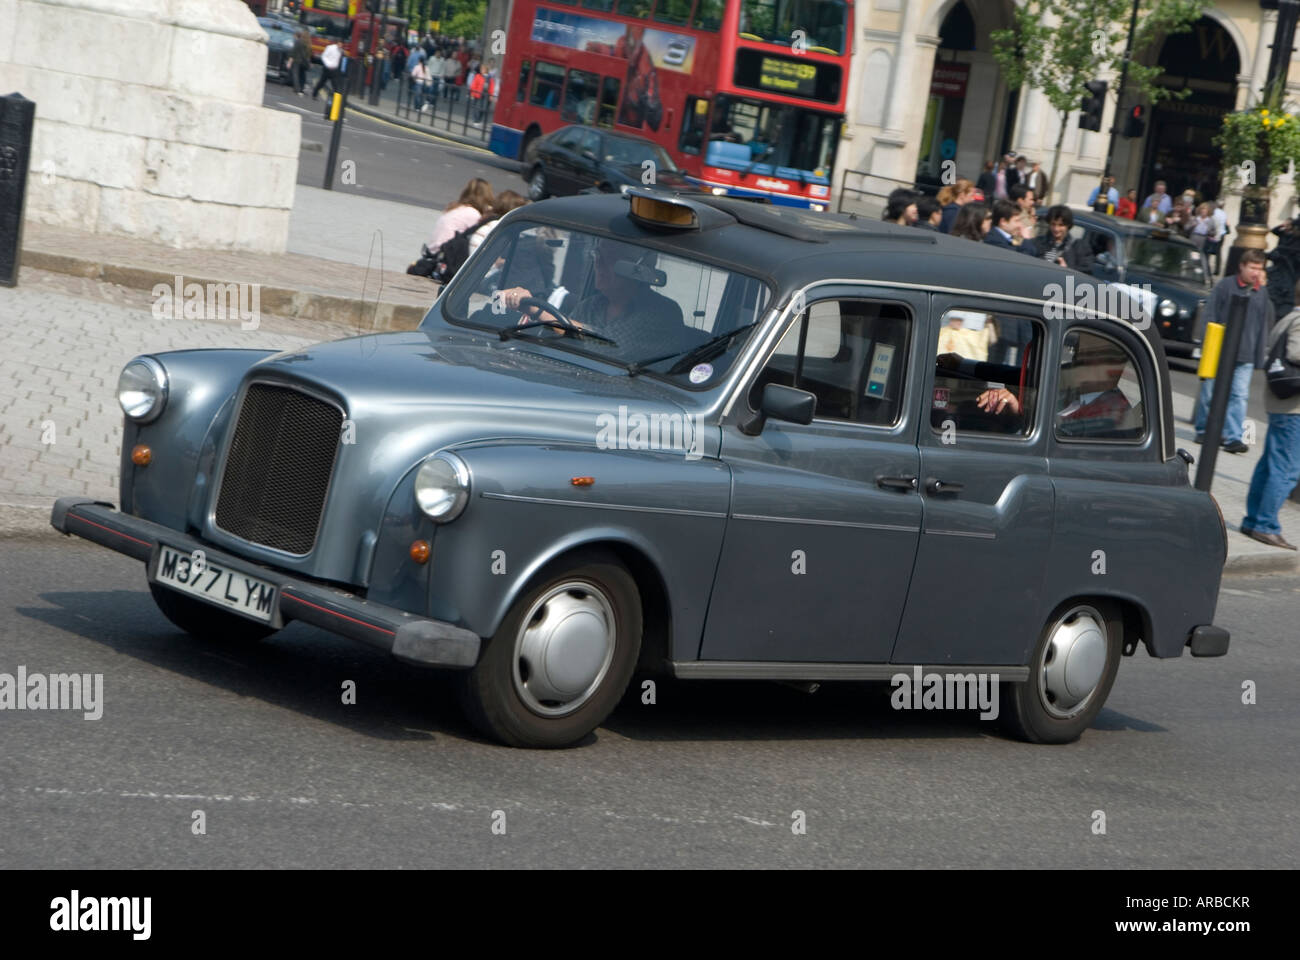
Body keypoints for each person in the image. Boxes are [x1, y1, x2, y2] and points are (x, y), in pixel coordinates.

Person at [497, 240, 686, 358]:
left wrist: (537, 311)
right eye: (597, 256)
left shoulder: (662, 312)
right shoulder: (592, 306)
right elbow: (562, 344)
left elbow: (610, 346)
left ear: (636, 270)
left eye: (610, 258)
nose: (598, 264)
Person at [1193, 249, 1275, 452]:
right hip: (1219, 349)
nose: (1256, 272)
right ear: (1242, 266)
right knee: (1210, 392)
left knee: (1239, 395)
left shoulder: (1261, 292)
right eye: (1253, 268)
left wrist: (1260, 355)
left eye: (1260, 269)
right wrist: (1205, 345)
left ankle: (1233, 437)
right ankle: (1203, 430)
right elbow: (1210, 315)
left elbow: (1263, 324)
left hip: (1245, 353)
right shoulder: (1225, 286)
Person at [1241, 307, 1300, 549]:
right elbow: (1295, 353)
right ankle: (1266, 526)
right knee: (1286, 470)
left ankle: (1253, 520)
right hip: (1293, 408)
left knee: (1269, 466)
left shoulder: (1288, 317)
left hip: (1280, 404)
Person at [428, 178, 494, 250]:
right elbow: (477, 238)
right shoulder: (473, 214)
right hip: (445, 253)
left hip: (433, 249)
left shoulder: (455, 207)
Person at [1024, 205, 1093, 271]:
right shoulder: (1038, 242)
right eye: (1053, 224)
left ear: (1068, 225)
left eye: (1061, 225)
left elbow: (1086, 272)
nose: (1056, 229)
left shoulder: (1079, 247)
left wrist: (1067, 270)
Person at [291, 27, 312, 96]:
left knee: (295, 74)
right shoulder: (309, 44)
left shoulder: (298, 41)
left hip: (297, 60)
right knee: (303, 75)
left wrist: (291, 59)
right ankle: (302, 88)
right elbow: (309, 54)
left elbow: (294, 51)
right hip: (304, 62)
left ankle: (296, 88)